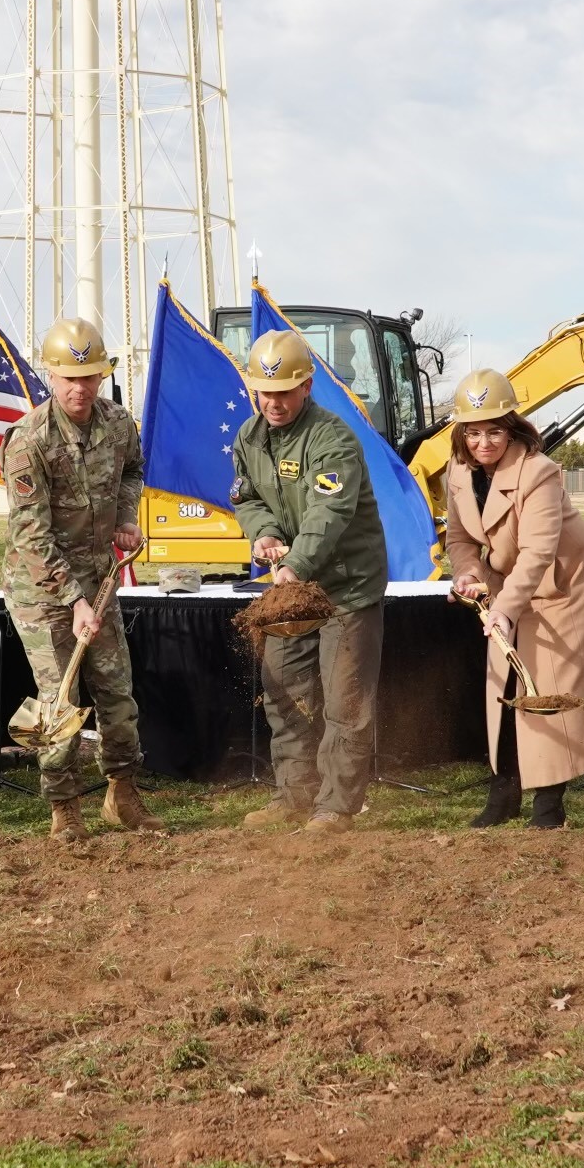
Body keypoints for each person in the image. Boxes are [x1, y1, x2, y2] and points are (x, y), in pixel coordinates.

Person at [439, 368, 584, 829]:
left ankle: (549, 805)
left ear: (512, 426)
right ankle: (502, 795)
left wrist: (504, 609)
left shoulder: (541, 471)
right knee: (502, 688)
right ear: (462, 434)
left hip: (564, 589)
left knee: (544, 692)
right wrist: (468, 573)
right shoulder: (458, 473)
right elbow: (461, 538)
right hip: (511, 585)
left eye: (495, 430)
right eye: (474, 431)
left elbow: (539, 551)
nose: (484, 442)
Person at [2, 316, 160, 841]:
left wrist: (125, 515)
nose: (80, 387)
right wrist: (73, 601)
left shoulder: (118, 424)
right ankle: (65, 808)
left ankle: (122, 795)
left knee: (117, 691)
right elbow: (31, 537)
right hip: (42, 592)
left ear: (102, 376)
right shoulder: (28, 441)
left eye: (89, 376)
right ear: (50, 375)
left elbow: (134, 469)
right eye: (69, 377)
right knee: (60, 698)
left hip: (100, 579)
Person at [230, 328, 390, 831]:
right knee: (284, 692)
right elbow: (248, 498)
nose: (273, 402)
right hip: (290, 590)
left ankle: (336, 807)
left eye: (283, 391)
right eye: (264, 391)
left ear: (307, 386)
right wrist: (264, 536)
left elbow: (328, 513)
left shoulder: (333, 438)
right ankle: (293, 796)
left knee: (345, 702)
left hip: (345, 588)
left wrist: (293, 567)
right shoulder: (248, 438)